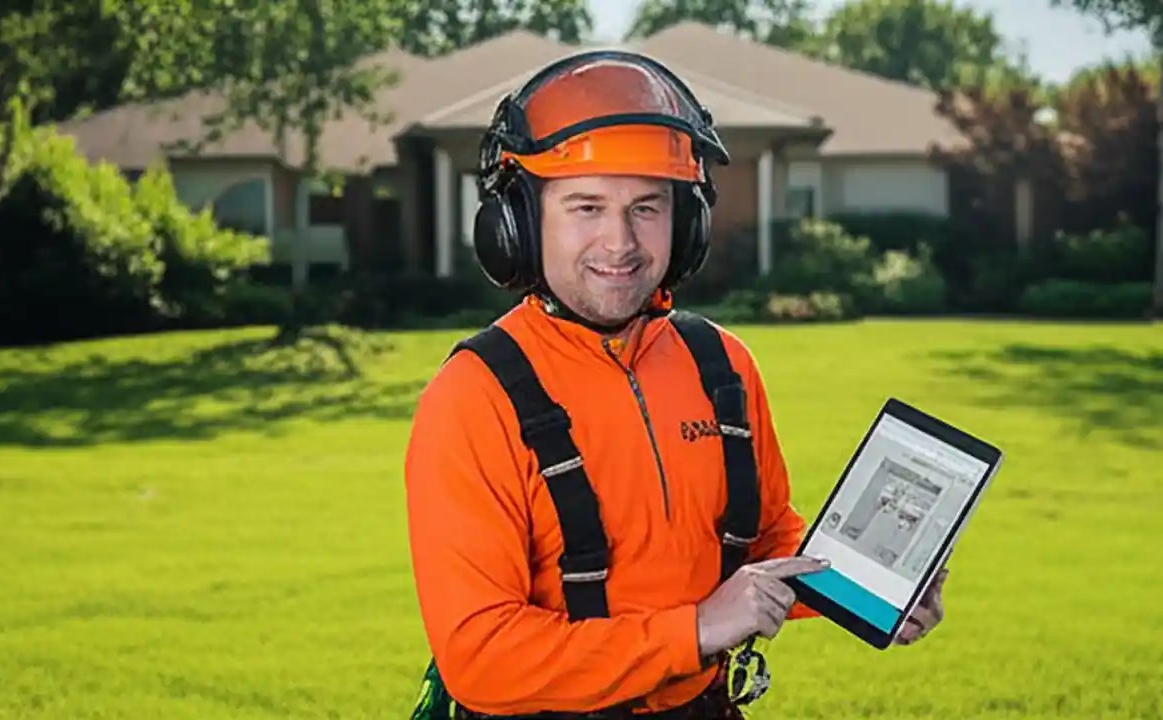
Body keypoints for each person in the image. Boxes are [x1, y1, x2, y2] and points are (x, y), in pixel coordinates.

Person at [403, 49, 947, 720]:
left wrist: (871, 590)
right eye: (585, 207)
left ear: (686, 225)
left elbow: (767, 542)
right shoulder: (474, 395)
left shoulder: (721, 365)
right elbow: (480, 657)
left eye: (647, 207)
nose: (619, 242)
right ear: (518, 224)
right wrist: (695, 630)